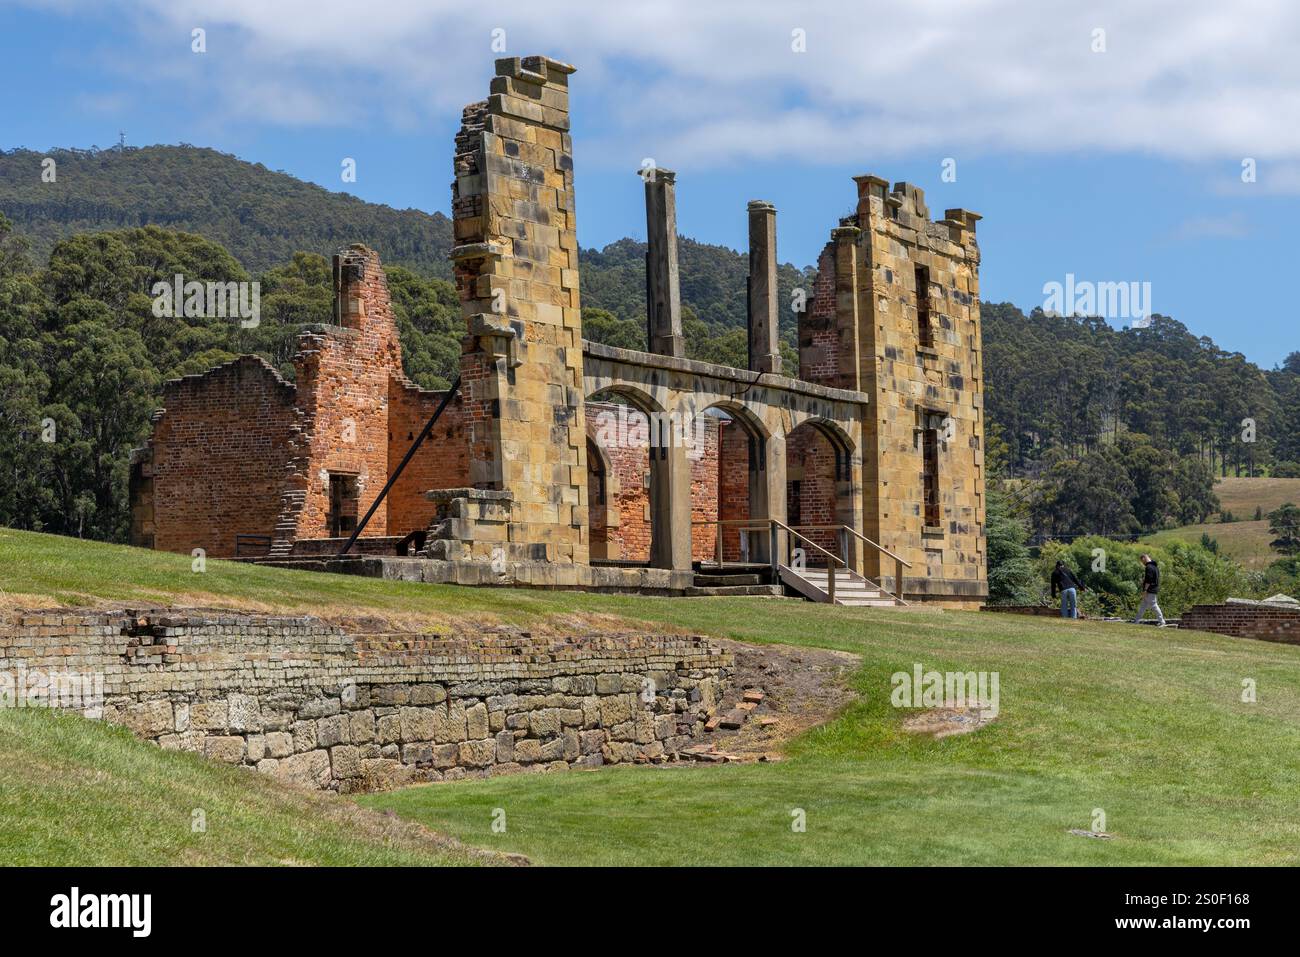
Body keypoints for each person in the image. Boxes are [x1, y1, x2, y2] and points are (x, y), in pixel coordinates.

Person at [1134, 554, 1166, 626]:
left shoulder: (1148, 567)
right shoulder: (1155, 567)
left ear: (1145, 558)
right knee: (1143, 605)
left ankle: (1162, 622)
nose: (1143, 563)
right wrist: (1144, 581)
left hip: (1150, 590)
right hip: (1153, 589)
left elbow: (1149, 579)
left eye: (1142, 561)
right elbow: (1153, 579)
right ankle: (1136, 621)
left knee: (1154, 605)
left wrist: (1145, 590)